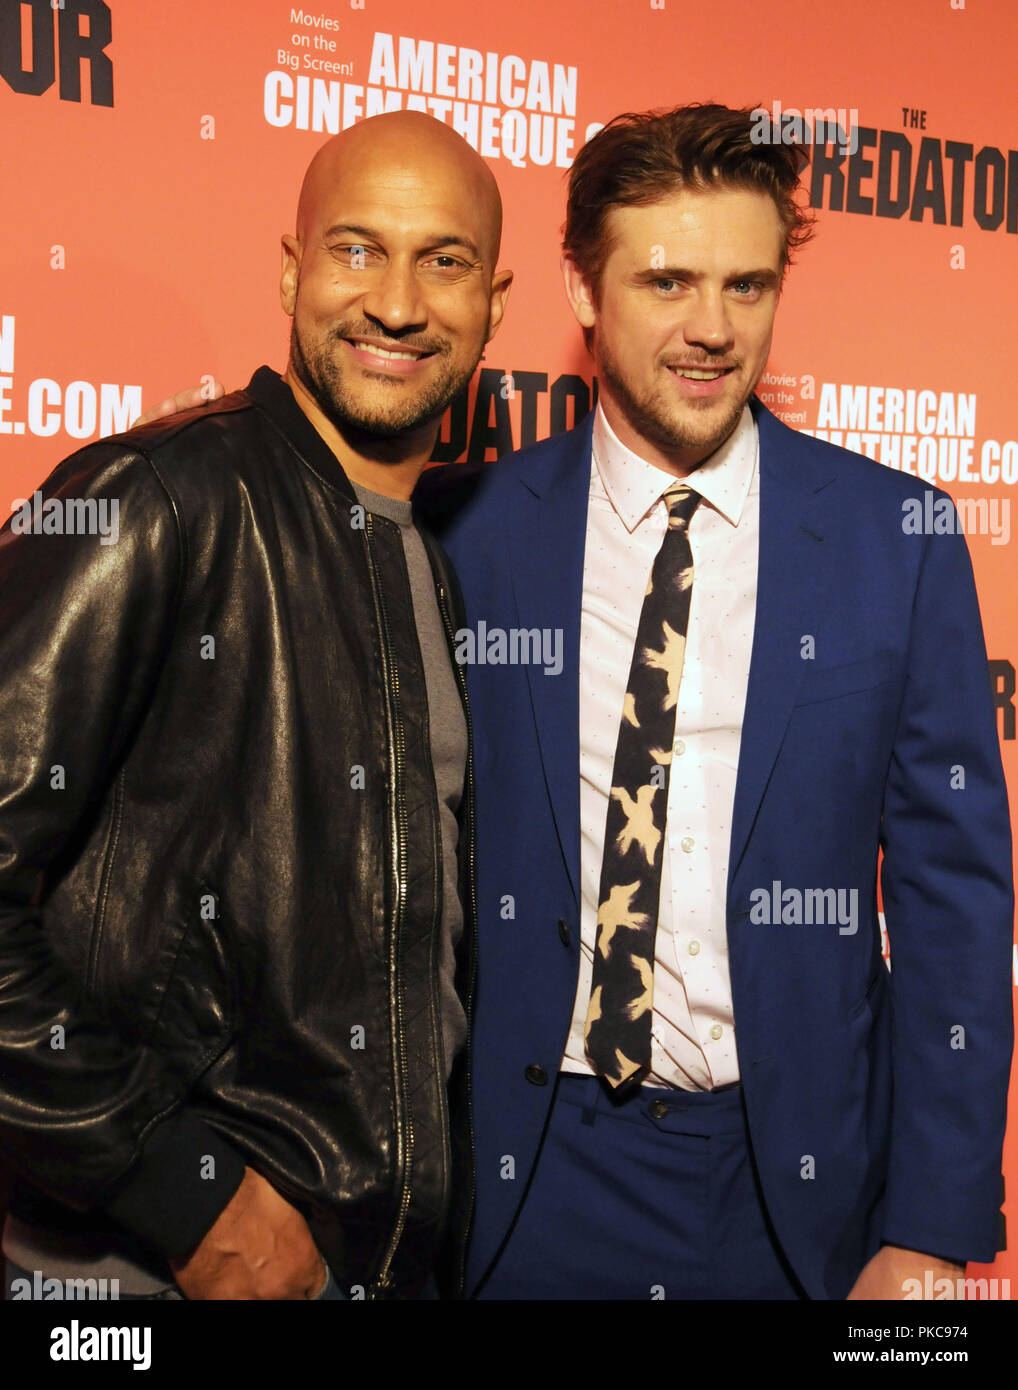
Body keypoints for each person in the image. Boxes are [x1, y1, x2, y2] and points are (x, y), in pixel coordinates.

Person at [420, 103, 1014, 1299]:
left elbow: (956, 903)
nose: (709, 329)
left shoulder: (890, 540)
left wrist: (935, 1222)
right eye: (667, 281)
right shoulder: (464, 535)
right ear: (583, 292)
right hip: (525, 1172)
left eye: (747, 286)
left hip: (794, 1185)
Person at [0, 111, 511, 1301]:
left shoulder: (424, 561)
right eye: (353, 249)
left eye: (444, 260)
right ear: (289, 270)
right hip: (148, 1268)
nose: (396, 301)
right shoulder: (160, 498)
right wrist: (179, 1187)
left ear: (497, 301)